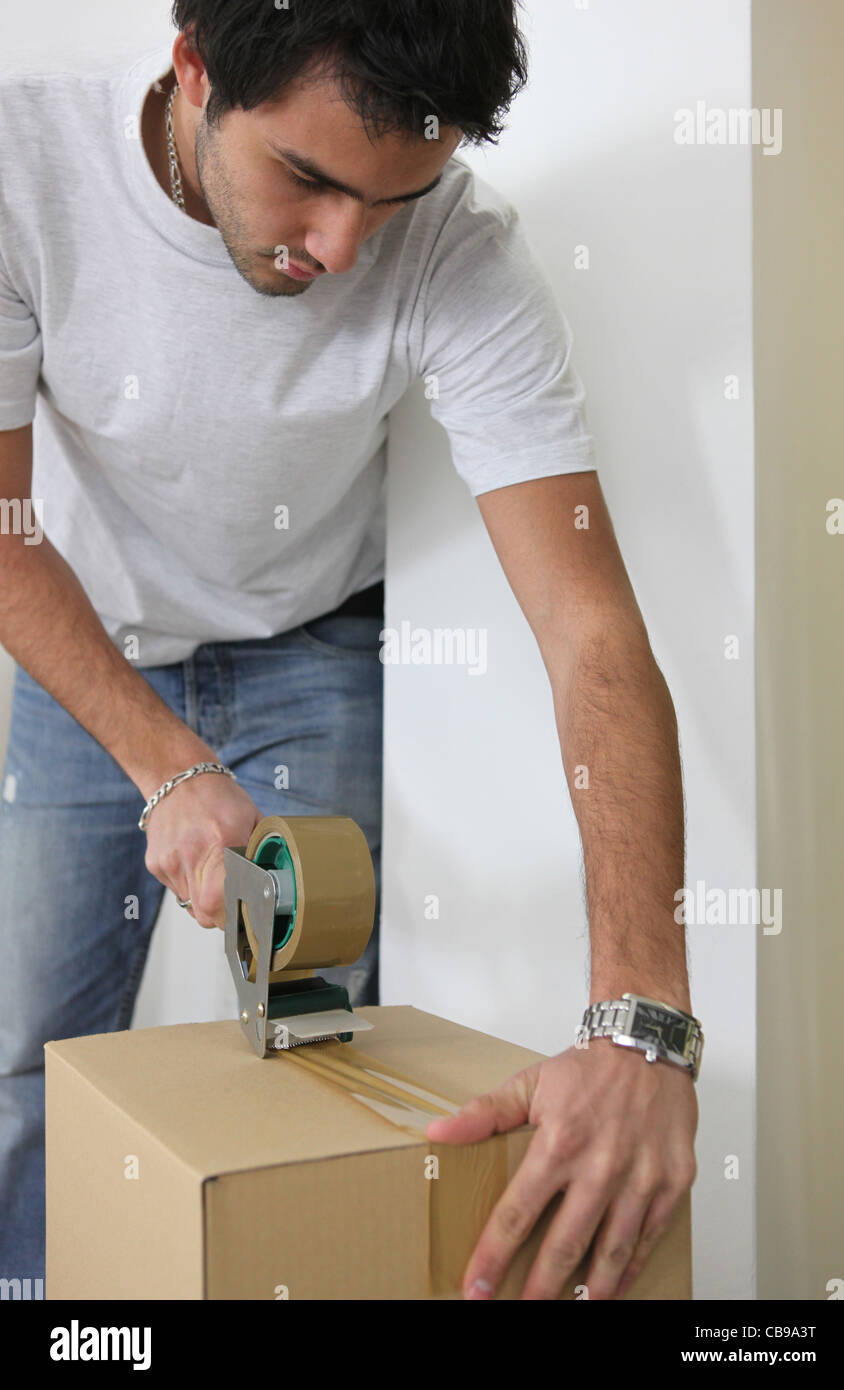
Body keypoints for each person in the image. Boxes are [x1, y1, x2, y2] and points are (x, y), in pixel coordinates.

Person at [0, 0, 698, 1299]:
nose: (340, 246)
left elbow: (587, 624)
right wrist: (161, 759)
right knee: (22, 1054)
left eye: (388, 202)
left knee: (311, 1058)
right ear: (193, 68)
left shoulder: (455, 249)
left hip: (311, 644)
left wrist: (641, 1027)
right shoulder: (20, 169)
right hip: (89, 655)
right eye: (308, 181)